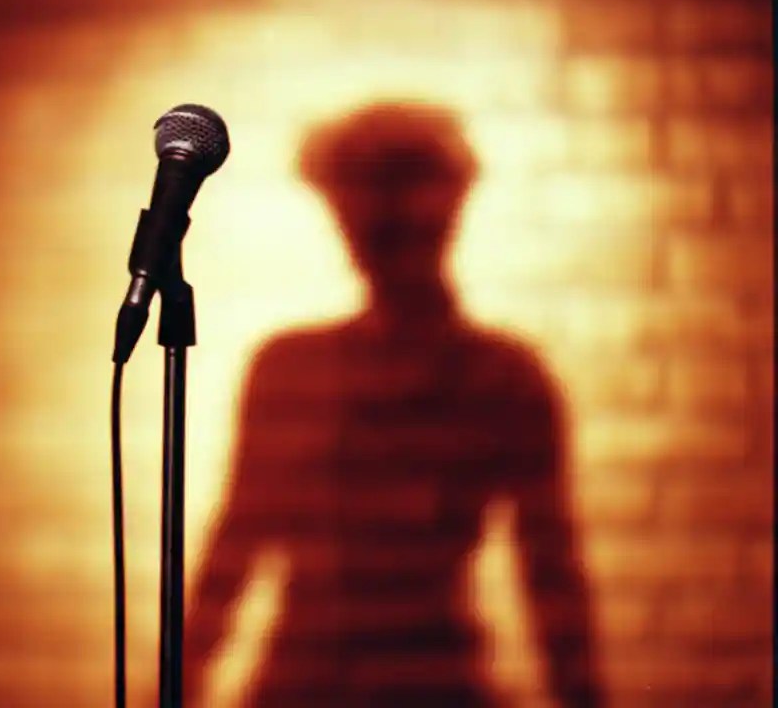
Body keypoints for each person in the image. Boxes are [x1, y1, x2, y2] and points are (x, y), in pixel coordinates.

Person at [183, 103, 604, 707]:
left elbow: (552, 581)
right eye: (360, 207)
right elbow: (237, 541)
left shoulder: (502, 377)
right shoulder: (291, 366)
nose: (370, 231)